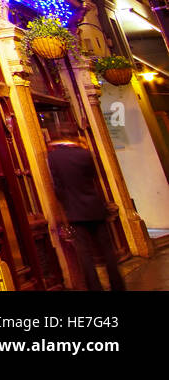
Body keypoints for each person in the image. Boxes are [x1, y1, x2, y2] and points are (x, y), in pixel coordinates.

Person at [46, 122, 126, 291]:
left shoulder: (54, 157)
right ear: (75, 136)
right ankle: (117, 285)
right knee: (107, 250)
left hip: (74, 211)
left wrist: (64, 207)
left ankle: (94, 287)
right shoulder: (85, 154)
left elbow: (57, 187)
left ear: (60, 136)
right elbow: (93, 178)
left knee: (85, 254)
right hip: (95, 207)